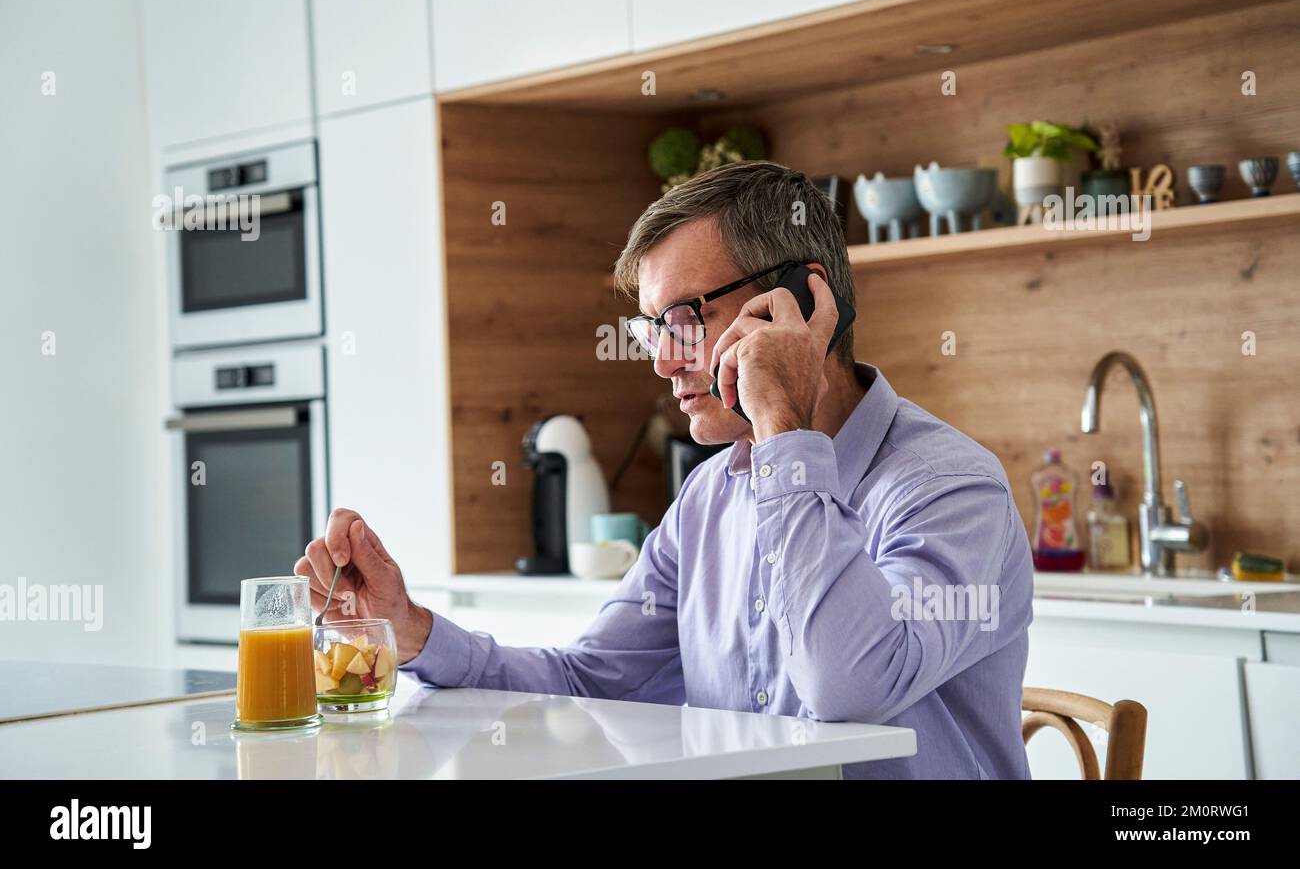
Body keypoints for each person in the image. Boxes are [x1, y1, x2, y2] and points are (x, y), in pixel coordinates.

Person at [295, 161, 1033, 778]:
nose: (658, 358)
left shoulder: (948, 487)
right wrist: (410, 628)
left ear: (806, 302)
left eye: (684, 319)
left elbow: (848, 686)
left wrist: (783, 426)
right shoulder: (711, 498)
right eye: (651, 329)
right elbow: (586, 683)